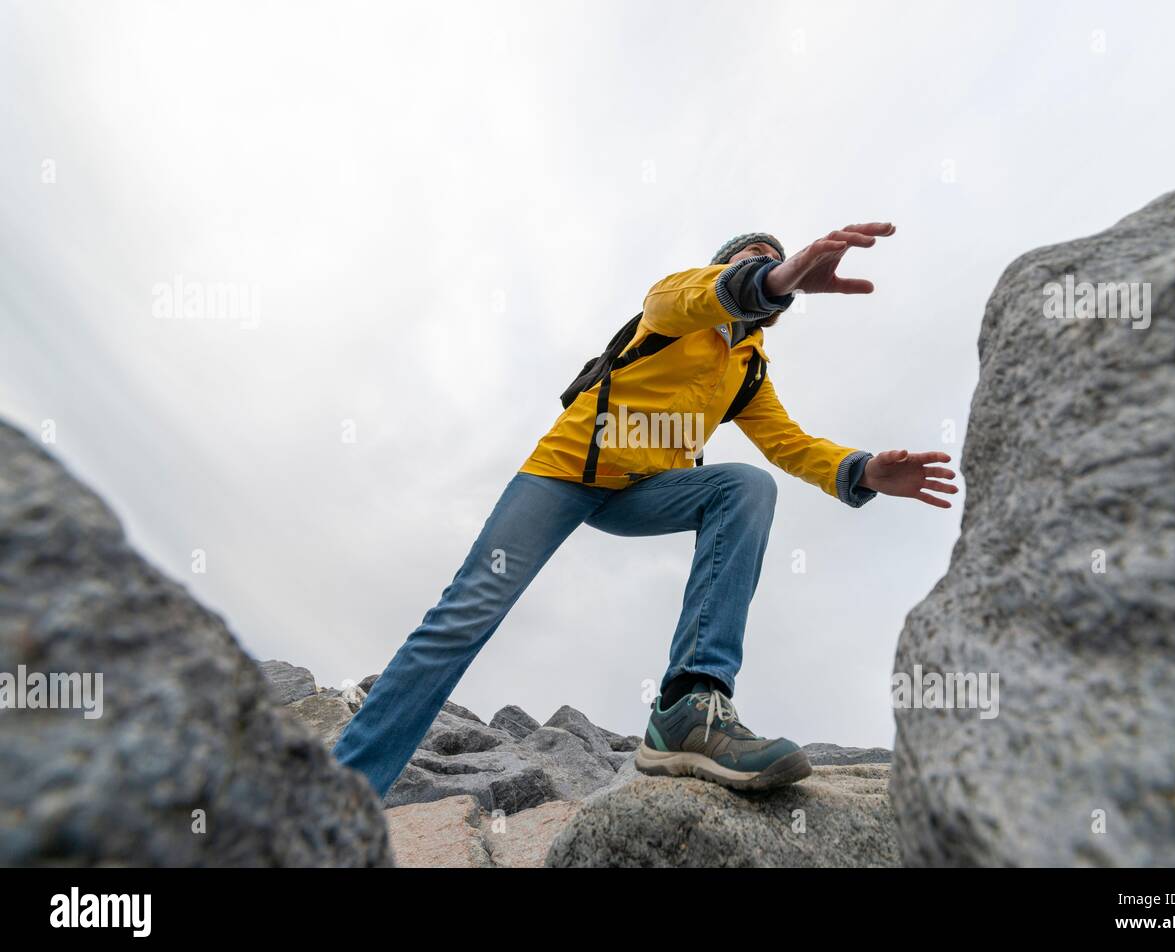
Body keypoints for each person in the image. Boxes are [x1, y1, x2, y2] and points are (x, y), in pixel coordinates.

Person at [332, 222, 958, 796]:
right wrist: (773, 275)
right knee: (463, 616)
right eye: (752, 257)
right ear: (724, 269)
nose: (769, 262)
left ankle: (690, 706)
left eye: (777, 257)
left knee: (747, 486)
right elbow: (687, 297)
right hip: (564, 474)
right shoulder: (675, 305)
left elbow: (789, 445)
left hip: (642, 491)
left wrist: (862, 469)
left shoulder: (749, 371)